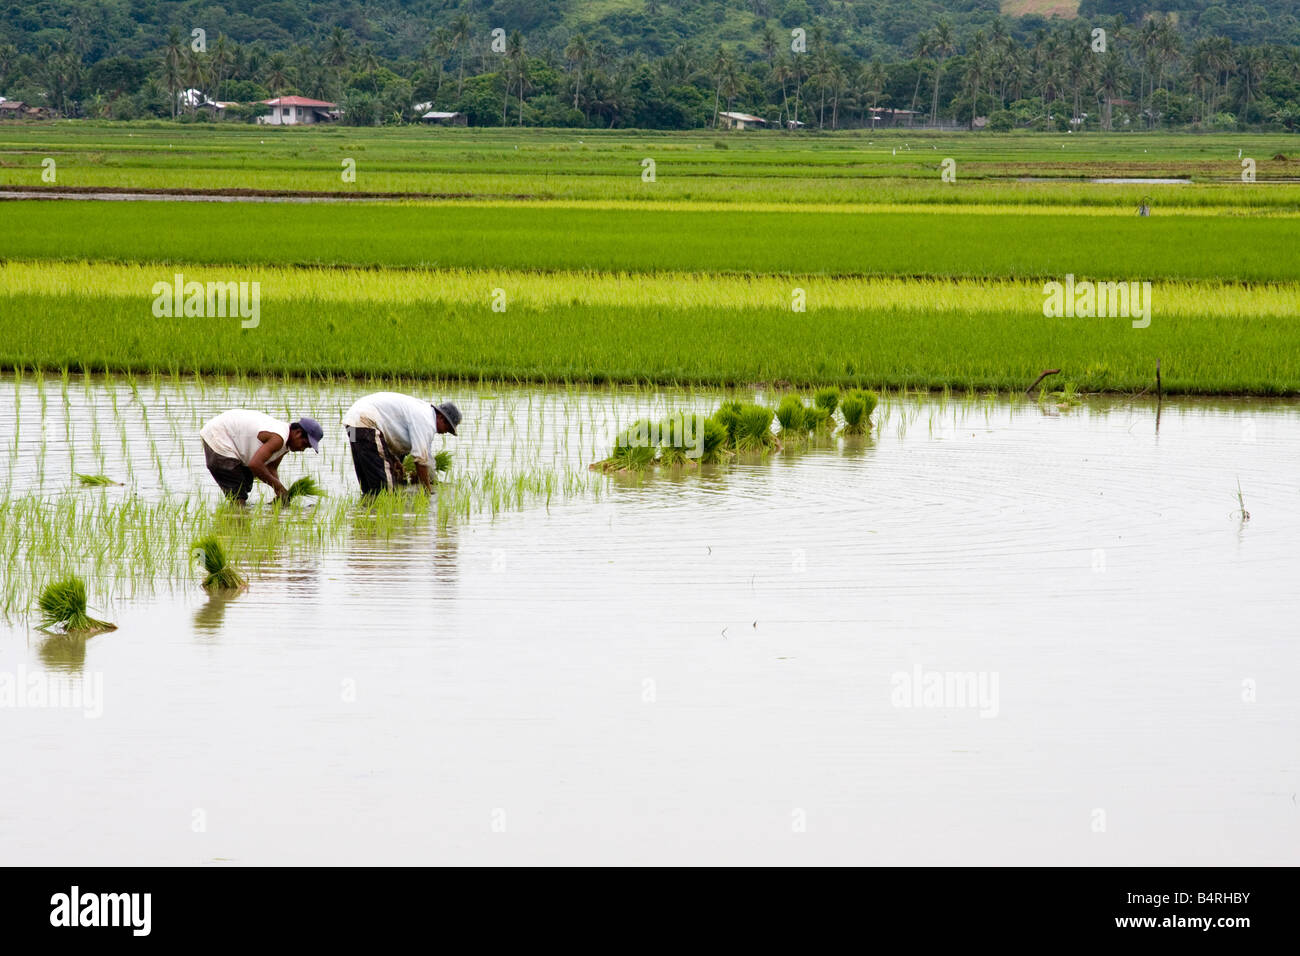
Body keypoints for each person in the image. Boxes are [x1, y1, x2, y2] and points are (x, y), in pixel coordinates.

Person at [343, 392, 460, 495]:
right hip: (365, 421)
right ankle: (382, 515)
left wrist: (394, 460)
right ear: (441, 417)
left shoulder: (422, 411)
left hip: (352, 423)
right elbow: (420, 459)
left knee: (369, 482)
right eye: (448, 428)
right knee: (386, 490)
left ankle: (368, 513)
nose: (445, 432)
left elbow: (384, 439)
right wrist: (427, 490)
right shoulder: (427, 421)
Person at [199, 409, 323, 503]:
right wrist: (279, 487)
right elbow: (255, 464)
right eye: (305, 445)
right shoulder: (278, 438)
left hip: (229, 439)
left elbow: (271, 468)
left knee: (245, 483)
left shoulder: (285, 443)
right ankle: (235, 528)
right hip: (219, 436)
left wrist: (279, 493)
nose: (302, 450)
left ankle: (235, 521)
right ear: (298, 433)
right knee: (238, 495)